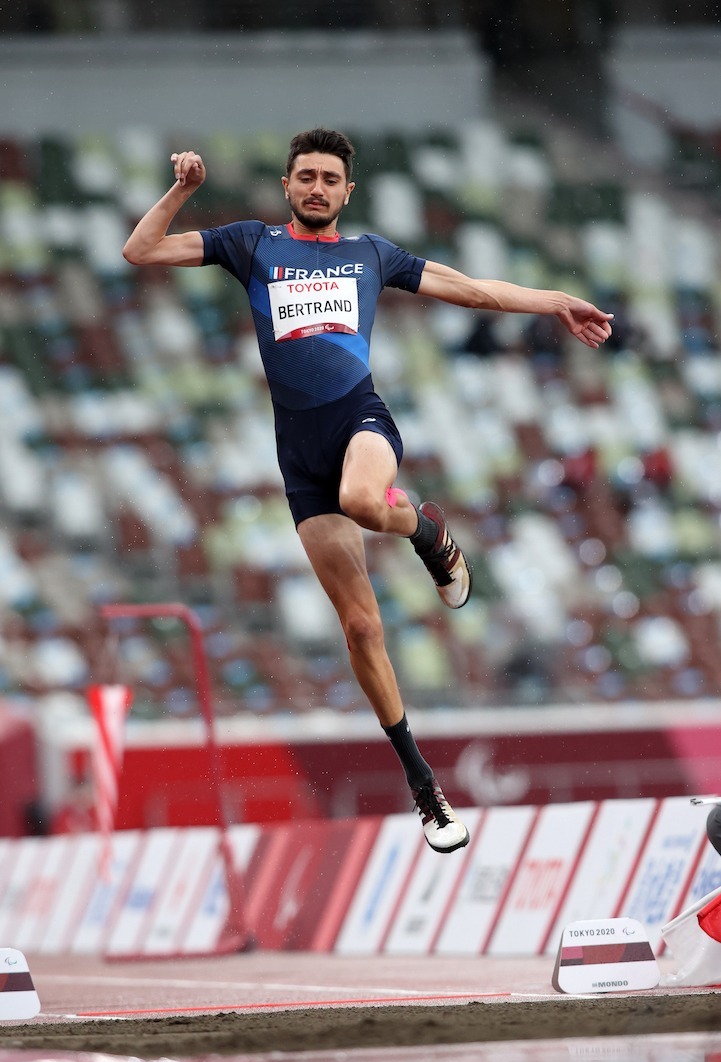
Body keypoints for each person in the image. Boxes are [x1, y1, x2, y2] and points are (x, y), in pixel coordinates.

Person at [123, 127, 613, 854]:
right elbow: (141, 251)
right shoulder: (251, 245)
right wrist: (183, 191)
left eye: (329, 178)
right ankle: (425, 788)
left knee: (362, 500)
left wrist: (553, 301)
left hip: (361, 422)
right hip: (300, 459)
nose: (317, 187)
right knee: (360, 629)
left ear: (346, 192)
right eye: (305, 177)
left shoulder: (370, 255)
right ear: (287, 186)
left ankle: (429, 536)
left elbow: (471, 289)